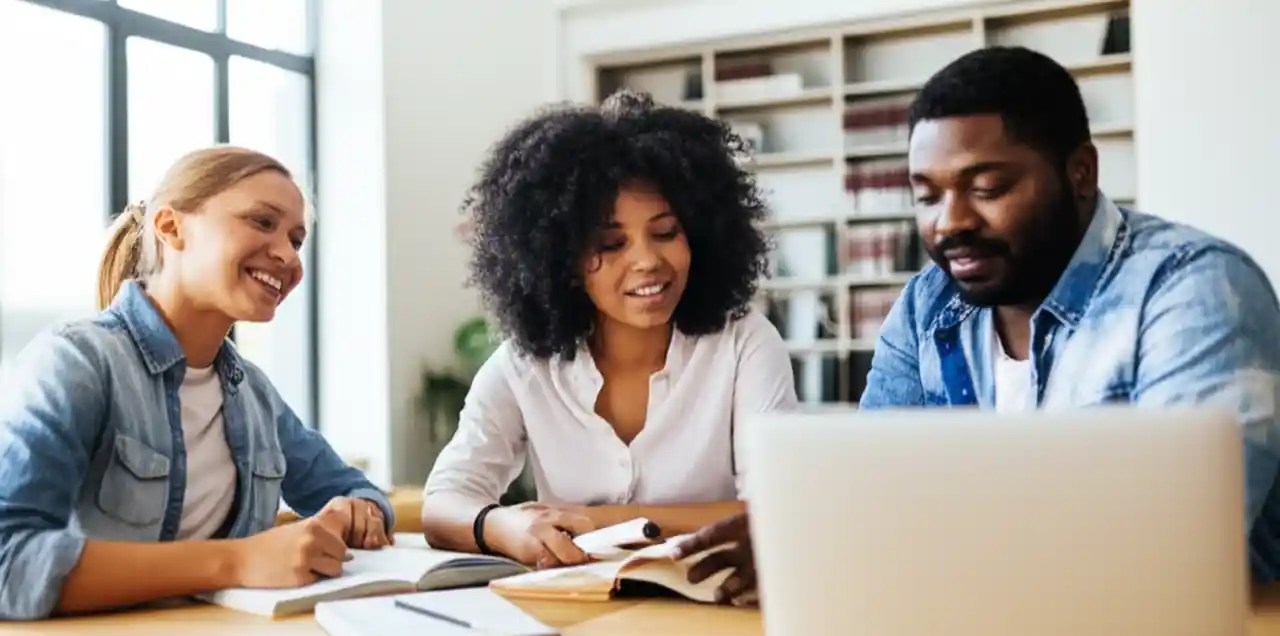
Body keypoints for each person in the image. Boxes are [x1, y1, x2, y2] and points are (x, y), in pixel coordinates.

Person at [675, 46, 1280, 602]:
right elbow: (872, 494)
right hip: (982, 630)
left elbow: (1175, 544)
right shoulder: (927, 307)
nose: (950, 222)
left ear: (1080, 174)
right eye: (927, 196)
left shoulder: (1192, 289)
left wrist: (891, 538)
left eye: (987, 187)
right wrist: (808, 533)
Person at [0, 146, 394, 621]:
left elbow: (359, 491)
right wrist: (238, 560)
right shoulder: (76, 362)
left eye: (296, 239)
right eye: (262, 222)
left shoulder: (254, 395)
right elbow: (9, 560)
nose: (288, 255)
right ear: (170, 228)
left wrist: (356, 513)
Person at [421, 90, 797, 569]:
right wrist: (504, 526)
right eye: (611, 244)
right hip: (579, 613)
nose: (647, 261)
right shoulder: (527, 364)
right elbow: (443, 503)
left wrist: (597, 520)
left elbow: (771, 511)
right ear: (565, 261)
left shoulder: (744, 344)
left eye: (665, 233)